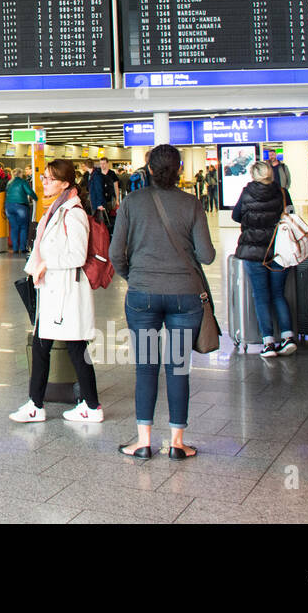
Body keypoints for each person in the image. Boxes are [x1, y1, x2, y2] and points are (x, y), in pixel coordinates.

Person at [110, 143, 215, 459]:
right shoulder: (192, 204)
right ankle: (178, 443)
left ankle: (143, 442)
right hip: (185, 296)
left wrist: (135, 277)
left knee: (145, 367)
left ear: (149, 169)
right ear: (180, 170)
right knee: (178, 367)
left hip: (143, 295)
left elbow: (116, 254)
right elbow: (207, 255)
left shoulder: (132, 202)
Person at [10, 159, 102, 424]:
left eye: (49, 179)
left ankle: (91, 407)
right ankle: (37, 404)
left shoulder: (72, 212)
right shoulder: (56, 209)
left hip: (65, 293)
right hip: (54, 292)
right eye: (44, 178)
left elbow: (76, 254)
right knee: (42, 346)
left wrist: (45, 265)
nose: (44, 182)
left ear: (65, 183)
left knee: (75, 349)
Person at [231, 160, 296, 358]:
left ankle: (267, 342)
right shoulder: (282, 193)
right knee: (278, 294)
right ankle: (288, 337)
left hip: (253, 251)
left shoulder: (247, 193)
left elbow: (236, 216)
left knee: (260, 296)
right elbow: (291, 214)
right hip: (279, 250)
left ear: (254, 175)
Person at [4, 168, 37, 255]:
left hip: (9, 206)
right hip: (20, 206)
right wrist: (37, 198)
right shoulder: (23, 182)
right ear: (20, 174)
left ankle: (15, 248)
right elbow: (29, 192)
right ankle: (22, 248)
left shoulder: (9, 183)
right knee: (23, 227)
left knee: (14, 228)